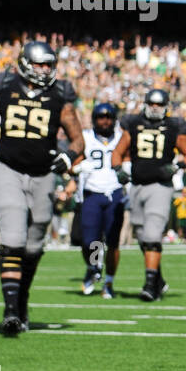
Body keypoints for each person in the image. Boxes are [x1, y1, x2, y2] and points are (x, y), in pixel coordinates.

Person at [0, 40, 84, 335]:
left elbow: (78, 140)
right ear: (25, 63)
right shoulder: (4, 86)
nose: (45, 70)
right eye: (40, 64)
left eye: (49, 64)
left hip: (43, 175)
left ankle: (21, 296)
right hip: (8, 170)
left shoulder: (60, 94)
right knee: (13, 237)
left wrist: (69, 155)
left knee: (34, 244)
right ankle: (11, 309)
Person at [111, 88, 186, 301]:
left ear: (166, 106)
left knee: (151, 236)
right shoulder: (133, 123)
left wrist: (177, 165)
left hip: (160, 185)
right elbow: (117, 152)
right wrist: (118, 170)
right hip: (137, 185)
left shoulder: (173, 126)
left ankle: (150, 285)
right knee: (141, 236)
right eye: (152, 103)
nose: (155, 108)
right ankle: (158, 279)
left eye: (159, 104)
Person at [78, 102, 127, 298]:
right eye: (100, 117)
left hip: (115, 192)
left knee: (113, 242)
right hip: (92, 192)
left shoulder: (122, 138)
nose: (105, 121)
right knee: (90, 241)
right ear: (94, 119)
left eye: (108, 117)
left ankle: (109, 282)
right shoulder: (85, 137)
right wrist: (79, 167)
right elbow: (74, 159)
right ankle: (94, 266)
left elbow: (130, 158)